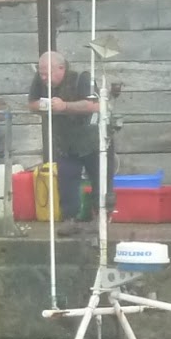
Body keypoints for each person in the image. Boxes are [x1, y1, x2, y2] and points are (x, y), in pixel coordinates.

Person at [27, 50, 116, 230]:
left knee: (100, 180)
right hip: (66, 141)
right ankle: (70, 220)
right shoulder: (40, 79)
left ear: (61, 68)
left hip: (94, 139)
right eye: (41, 74)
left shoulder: (81, 78)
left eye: (48, 74)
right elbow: (32, 103)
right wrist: (47, 105)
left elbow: (95, 105)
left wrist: (64, 106)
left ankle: (101, 220)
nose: (44, 78)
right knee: (67, 180)